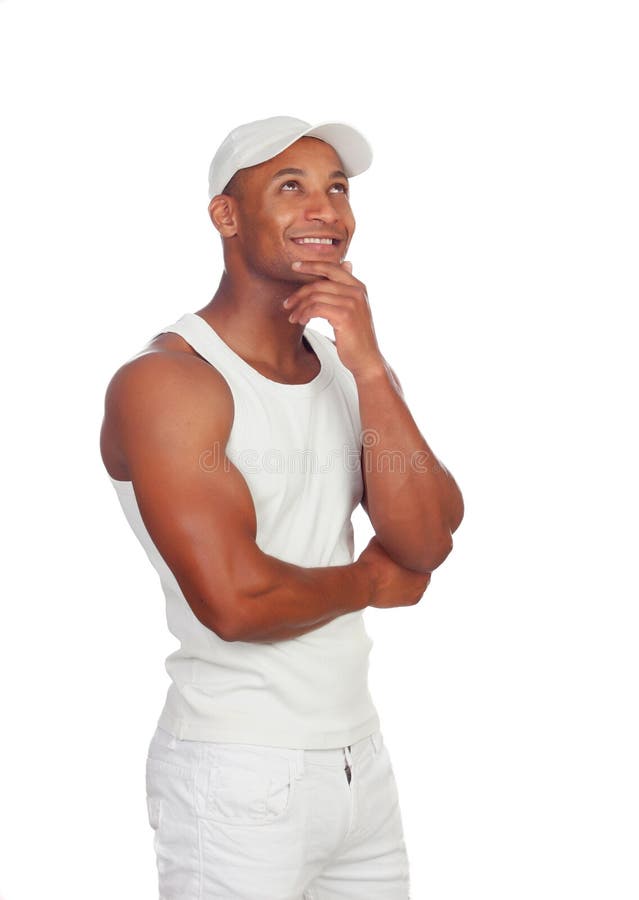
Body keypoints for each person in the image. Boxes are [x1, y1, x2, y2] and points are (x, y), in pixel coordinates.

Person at [99, 115, 464, 900]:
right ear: (226, 216)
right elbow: (237, 600)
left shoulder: (344, 367)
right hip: (238, 774)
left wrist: (367, 367)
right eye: (289, 187)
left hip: (358, 764)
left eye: (336, 189)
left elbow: (427, 539)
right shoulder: (170, 383)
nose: (324, 210)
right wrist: (367, 583)